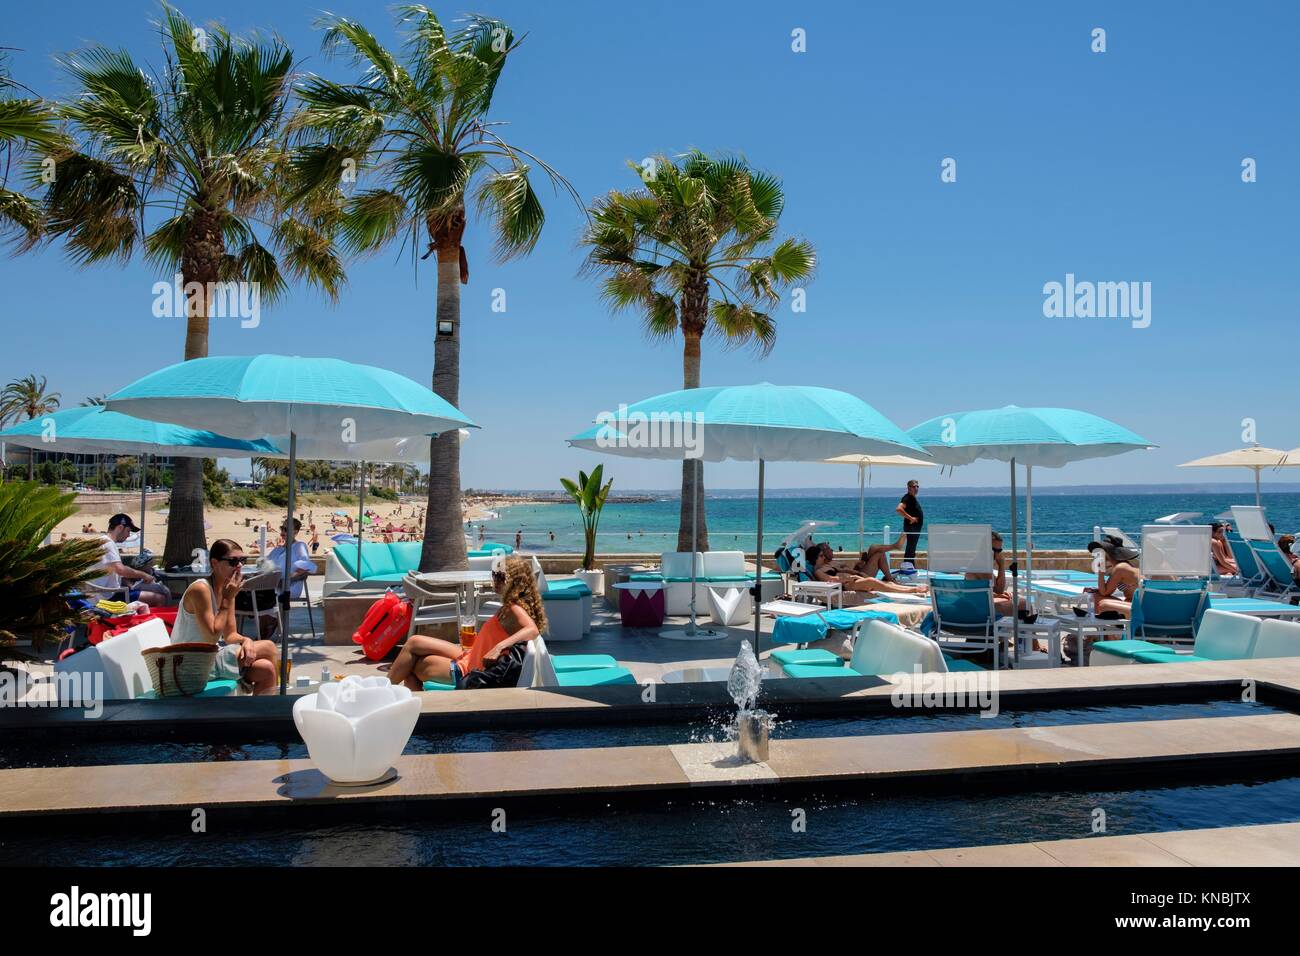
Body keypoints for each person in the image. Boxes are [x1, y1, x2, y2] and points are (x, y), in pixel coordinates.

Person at [388, 555, 545, 690]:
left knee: (411, 668)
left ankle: (383, 692)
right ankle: (389, 693)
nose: (495, 581)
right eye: (494, 575)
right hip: (470, 655)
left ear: (515, 582)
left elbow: (532, 630)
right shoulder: (514, 605)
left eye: (501, 577)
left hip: (469, 670)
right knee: (414, 642)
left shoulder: (514, 608)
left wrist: (498, 647)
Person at [171, 538, 279, 694]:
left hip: (209, 658)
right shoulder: (200, 589)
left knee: (266, 669)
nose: (239, 565)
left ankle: (260, 717)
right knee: (268, 647)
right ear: (214, 563)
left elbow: (230, 635)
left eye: (242, 560)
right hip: (189, 664)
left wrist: (245, 640)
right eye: (233, 561)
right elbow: (211, 637)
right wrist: (227, 599)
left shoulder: (227, 589)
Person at [90, 514, 169, 607]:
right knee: (160, 598)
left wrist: (128, 582)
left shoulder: (102, 541)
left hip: (102, 593)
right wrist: (144, 575)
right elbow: (121, 570)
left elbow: (113, 571)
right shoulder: (108, 544)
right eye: (128, 531)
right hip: (108, 596)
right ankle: (148, 621)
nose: (128, 535)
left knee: (147, 592)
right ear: (120, 528)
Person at [808, 542, 928, 595]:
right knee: (873, 582)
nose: (823, 557)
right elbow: (832, 580)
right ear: (816, 558)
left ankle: (911, 588)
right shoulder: (818, 571)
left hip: (851, 580)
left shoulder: (826, 566)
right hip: (847, 585)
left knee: (882, 582)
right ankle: (911, 591)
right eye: (821, 555)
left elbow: (838, 575)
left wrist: (854, 572)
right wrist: (851, 576)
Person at [266, 519, 315, 637]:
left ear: (296, 532)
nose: (283, 532)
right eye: (282, 528)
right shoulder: (277, 550)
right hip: (274, 585)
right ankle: (265, 626)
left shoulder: (299, 546)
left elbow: (306, 569)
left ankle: (269, 627)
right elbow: (264, 566)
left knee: (266, 595)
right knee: (251, 594)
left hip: (291, 586)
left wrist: (287, 580)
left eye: (286, 529)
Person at [966, 531, 1025, 616]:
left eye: (999, 550)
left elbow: (983, 590)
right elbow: (999, 589)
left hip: (976, 604)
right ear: (984, 547)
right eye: (994, 550)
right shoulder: (981, 565)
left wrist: (997, 595)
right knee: (1023, 604)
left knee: (1018, 600)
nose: (996, 553)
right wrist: (1001, 564)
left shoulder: (979, 562)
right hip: (978, 609)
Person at [1084, 535, 1142, 618]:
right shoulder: (1124, 566)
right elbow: (1105, 591)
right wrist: (1096, 590)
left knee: (1102, 604)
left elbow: (1104, 592)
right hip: (1131, 605)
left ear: (1107, 553)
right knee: (1094, 595)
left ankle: (1109, 625)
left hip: (1137, 609)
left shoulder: (1121, 568)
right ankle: (1108, 624)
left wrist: (1101, 571)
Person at [896, 480, 924, 574]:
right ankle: (908, 569)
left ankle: (909, 568)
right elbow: (899, 509)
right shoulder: (907, 498)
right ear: (909, 488)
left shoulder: (912, 498)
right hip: (911, 528)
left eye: (917, 486)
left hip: (915, 528)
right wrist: (910, 518)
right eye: (914, 486)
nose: (916, 488)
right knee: (910, 549)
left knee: (911, 549)